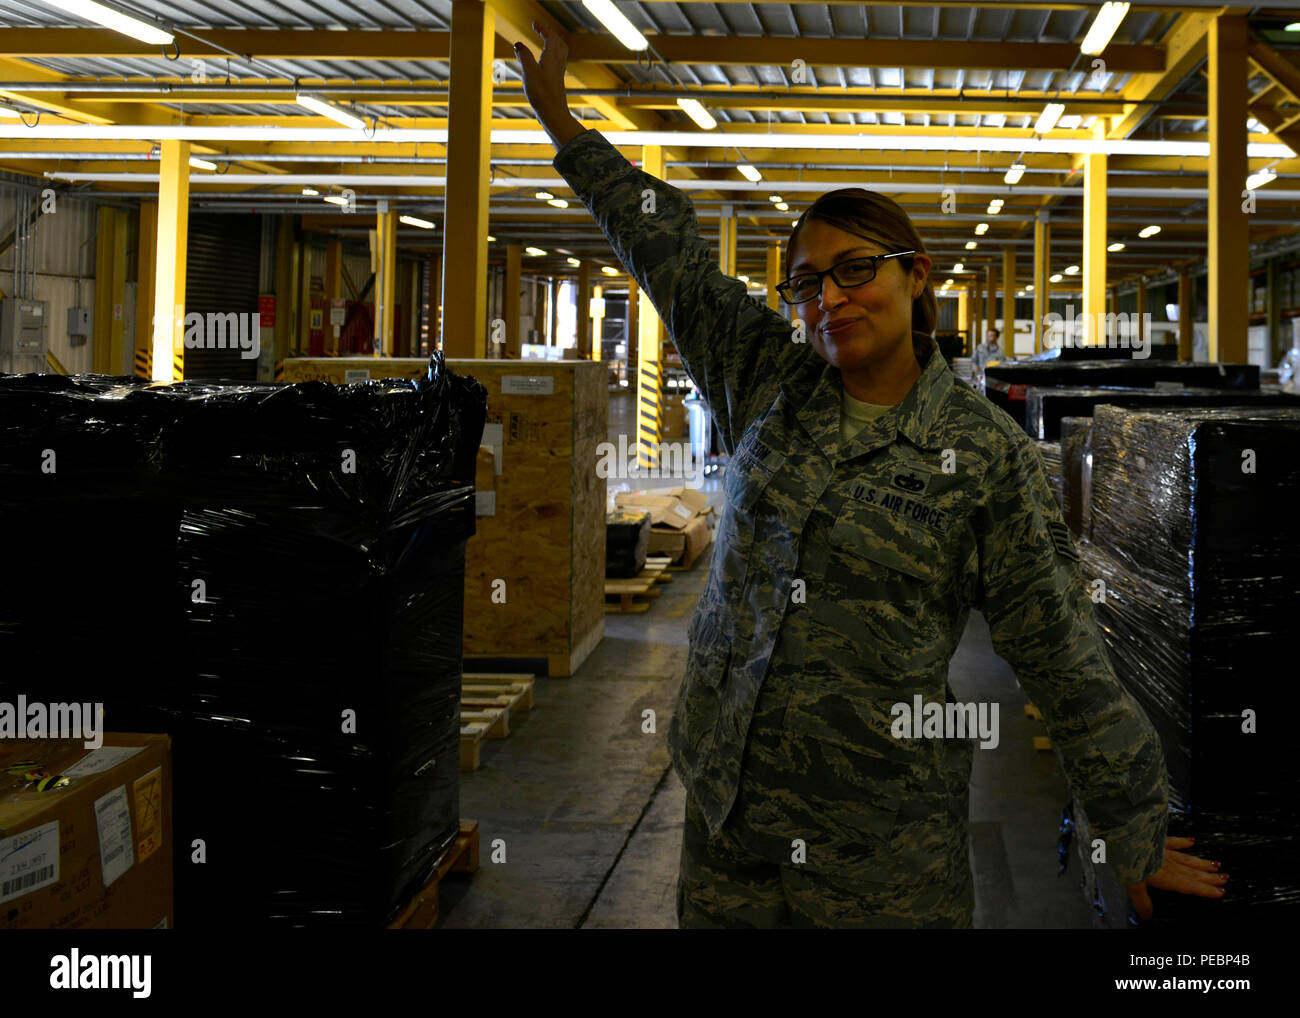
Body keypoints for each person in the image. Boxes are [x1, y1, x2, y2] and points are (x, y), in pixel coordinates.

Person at [515, 23, 1229, 929]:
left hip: (884, 856)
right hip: (728, 824)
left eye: (856, 271)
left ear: (915, 275)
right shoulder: (767, 385)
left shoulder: (982, 453)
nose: (830, 299)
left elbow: (1060, 647)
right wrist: (563, 126)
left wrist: (1132, 825)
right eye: (808, 283)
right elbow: (670, 256)